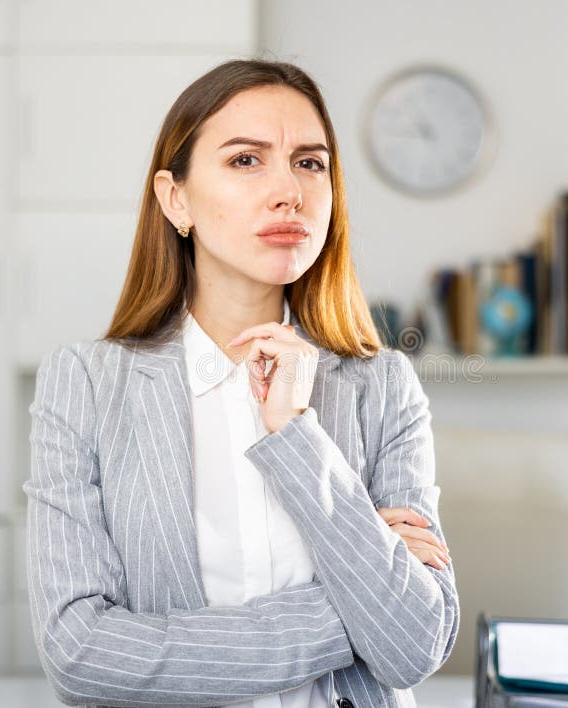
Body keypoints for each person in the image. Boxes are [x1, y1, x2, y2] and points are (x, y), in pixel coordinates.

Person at [25, 58, 459, 708]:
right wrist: (362, 599)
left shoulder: (384, 385)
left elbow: (414, 646)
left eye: (310, 163)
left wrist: (299, 438)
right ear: (176, 199)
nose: (290, 191)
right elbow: (81, 654)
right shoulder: (85, 385)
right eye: (246, 161)